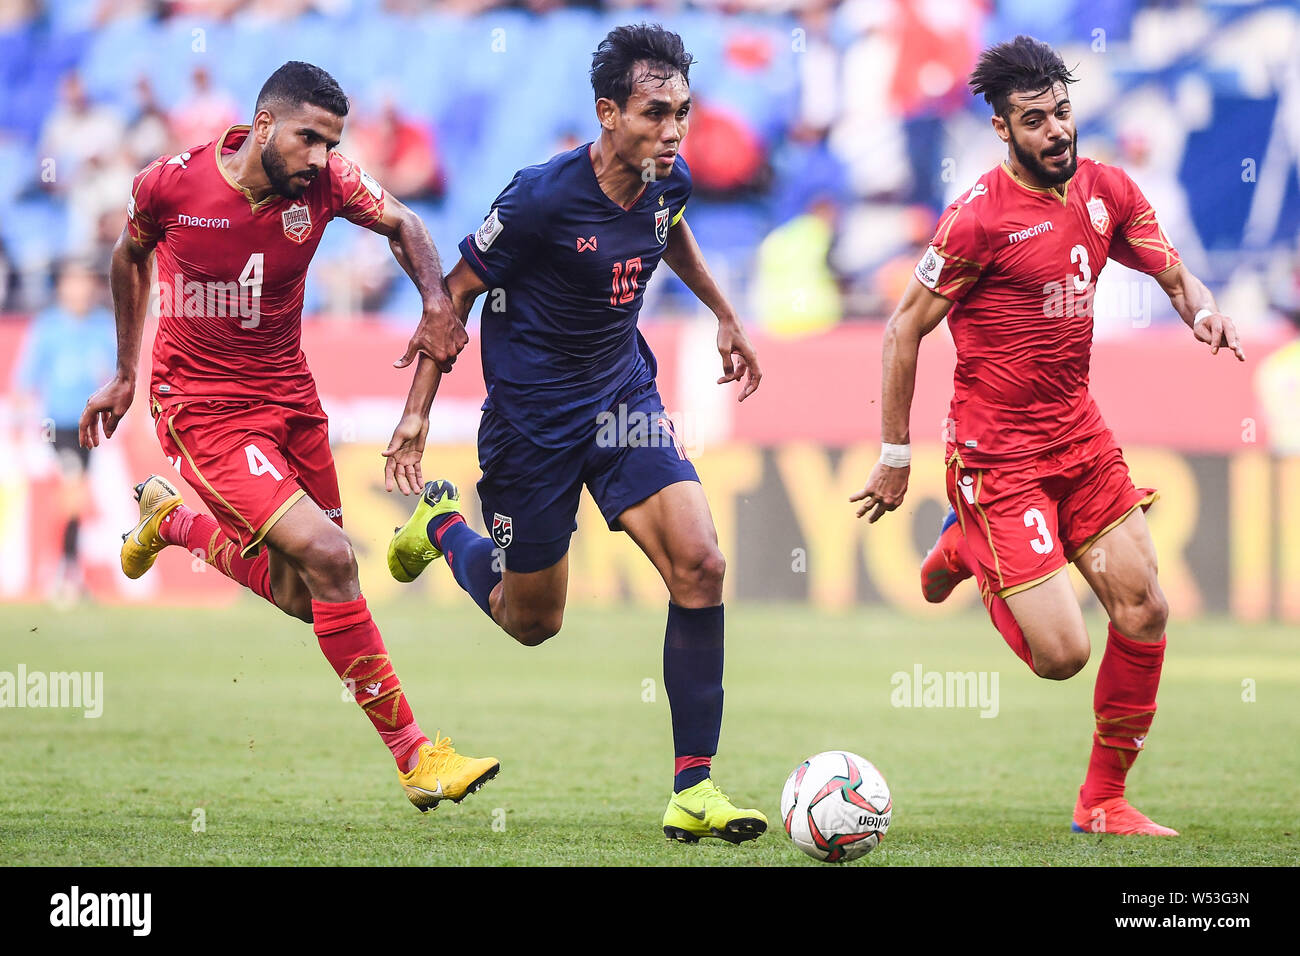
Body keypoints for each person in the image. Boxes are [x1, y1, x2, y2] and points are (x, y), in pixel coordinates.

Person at [79, 61, 499, 813]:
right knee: (334, 559)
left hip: (290, 402)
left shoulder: (327, 186)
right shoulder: (171, 186)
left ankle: (169, 521)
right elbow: (128, 256)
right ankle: (416, 757)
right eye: (309, 139)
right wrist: (123, 373)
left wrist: (437, 302)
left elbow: (406, 222)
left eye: (331, 144)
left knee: (306, 596)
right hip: (201, 407)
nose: (320, 159)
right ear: (264, 124)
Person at [850, 36, 1245, 836]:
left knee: (1144, 608)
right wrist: (897, 457)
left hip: (1082, 437)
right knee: (1062, 656)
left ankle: (1103, 802)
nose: (1058, 130)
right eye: (1035, 121)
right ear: (1002, 129)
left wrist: (1201, 308)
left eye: (1063, 112)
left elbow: (1172, 271)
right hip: (999, 457)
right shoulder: (976, 220)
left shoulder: (1108, 190)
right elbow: (902, 331)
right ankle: (966, 545)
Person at [382, 24, 767, 845]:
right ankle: (443, 528)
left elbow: (669, 229)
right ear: (607, 113)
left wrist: (725, 314)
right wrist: (415, 415)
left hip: (622, 398)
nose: (672, 132)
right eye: (655, 113)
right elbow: (448, 299)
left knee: (701, 564)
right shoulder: (541, 198)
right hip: (532, 425)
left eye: (683, 113)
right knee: (533, 623)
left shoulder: (671, 180)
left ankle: (693, 788)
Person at [12, 260, 116, 600]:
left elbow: (118, 375)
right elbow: (26, 379)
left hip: (90, 426)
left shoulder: (101, 325)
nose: (80, 290)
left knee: (76, 496)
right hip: (56, 425)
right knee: (73, 485)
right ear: (62, 287)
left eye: (85, 283)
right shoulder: (49, 326)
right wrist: (24, 423)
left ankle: (65, 569)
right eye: (74, 282)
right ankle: (65, 571)